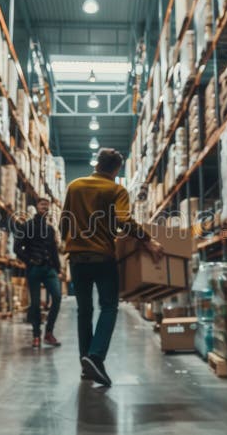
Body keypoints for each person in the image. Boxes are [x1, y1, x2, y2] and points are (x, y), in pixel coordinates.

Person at [60, 148, 163, 387]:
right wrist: (147, 239)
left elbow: (64, 221)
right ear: (116, 170)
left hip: (77, 258)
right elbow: (122, 220)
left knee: (84, 311)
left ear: (97, 164)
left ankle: (86, 366)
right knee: (108, 307)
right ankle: (95, 356)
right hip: (102, 256)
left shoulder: (74, 186)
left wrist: (71, 244)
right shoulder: (116, 190)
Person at [14, 197, 63, 348]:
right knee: (35, 303)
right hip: (34, 269)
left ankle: (49, 333)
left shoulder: (50, 229)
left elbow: (54, 251)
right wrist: (29, 261)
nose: (45, 207)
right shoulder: (26, 226)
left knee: (57, 297)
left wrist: (58, 269)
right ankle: (36, 335)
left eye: (47, 206)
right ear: (36, 206)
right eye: (42, 205)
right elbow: (17, 248)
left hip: (49, 270)